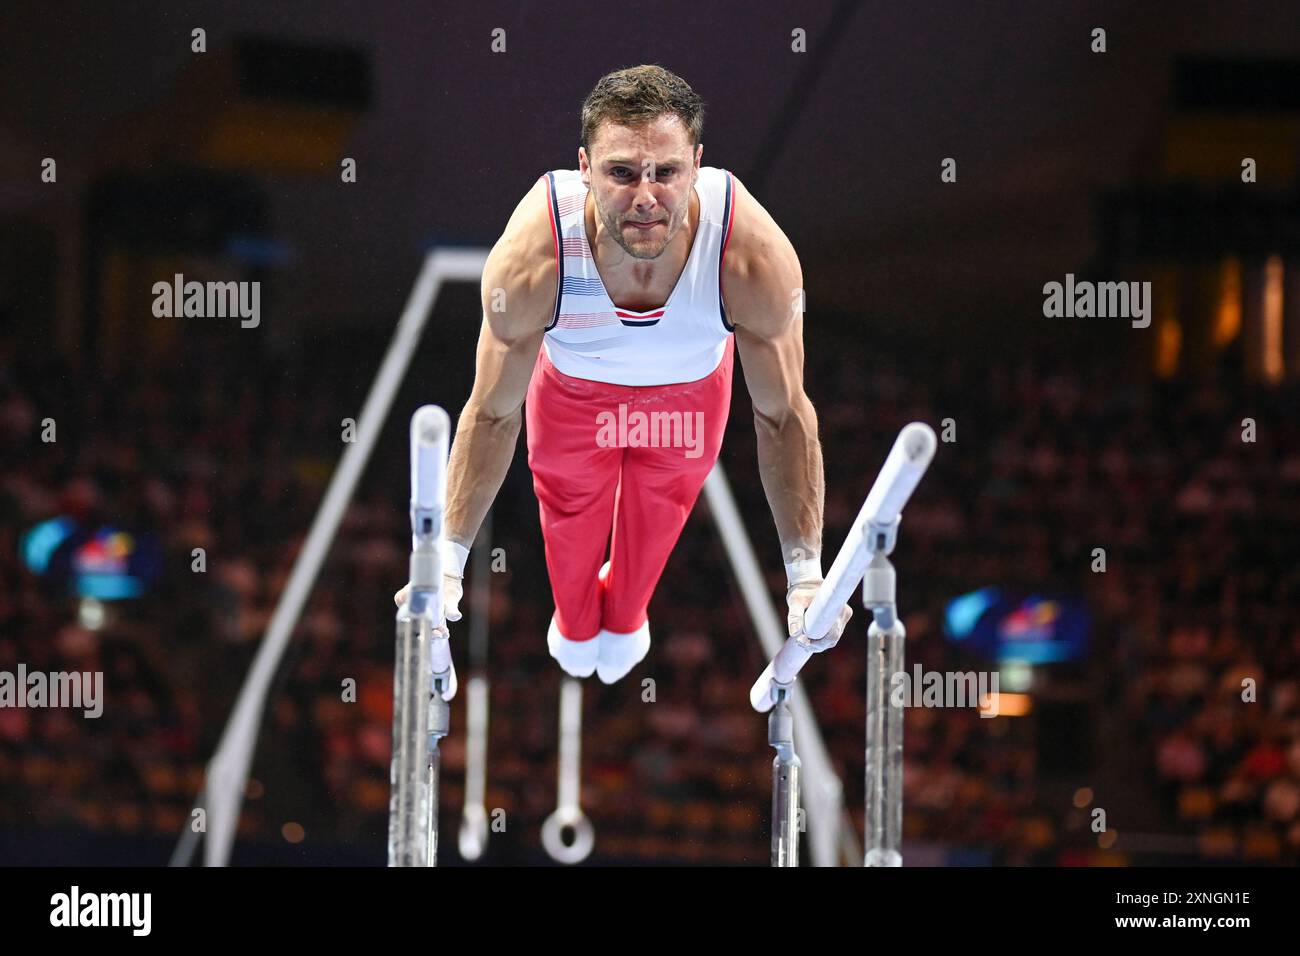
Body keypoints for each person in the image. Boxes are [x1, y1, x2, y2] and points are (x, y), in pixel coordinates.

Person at [396, 64, 851, 683]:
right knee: (572, 542)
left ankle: (626, 618)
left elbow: (783, 414)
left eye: (666, 173)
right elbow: (493, 411)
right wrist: (445, 563)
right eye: (621, 172)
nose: (644, 196)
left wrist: (806, 576)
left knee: (652, 536)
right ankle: (580, 626)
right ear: (584, 167)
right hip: (572, 403)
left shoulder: (750, 256)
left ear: (697, 163)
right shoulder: (535, 257)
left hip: (687, 406)